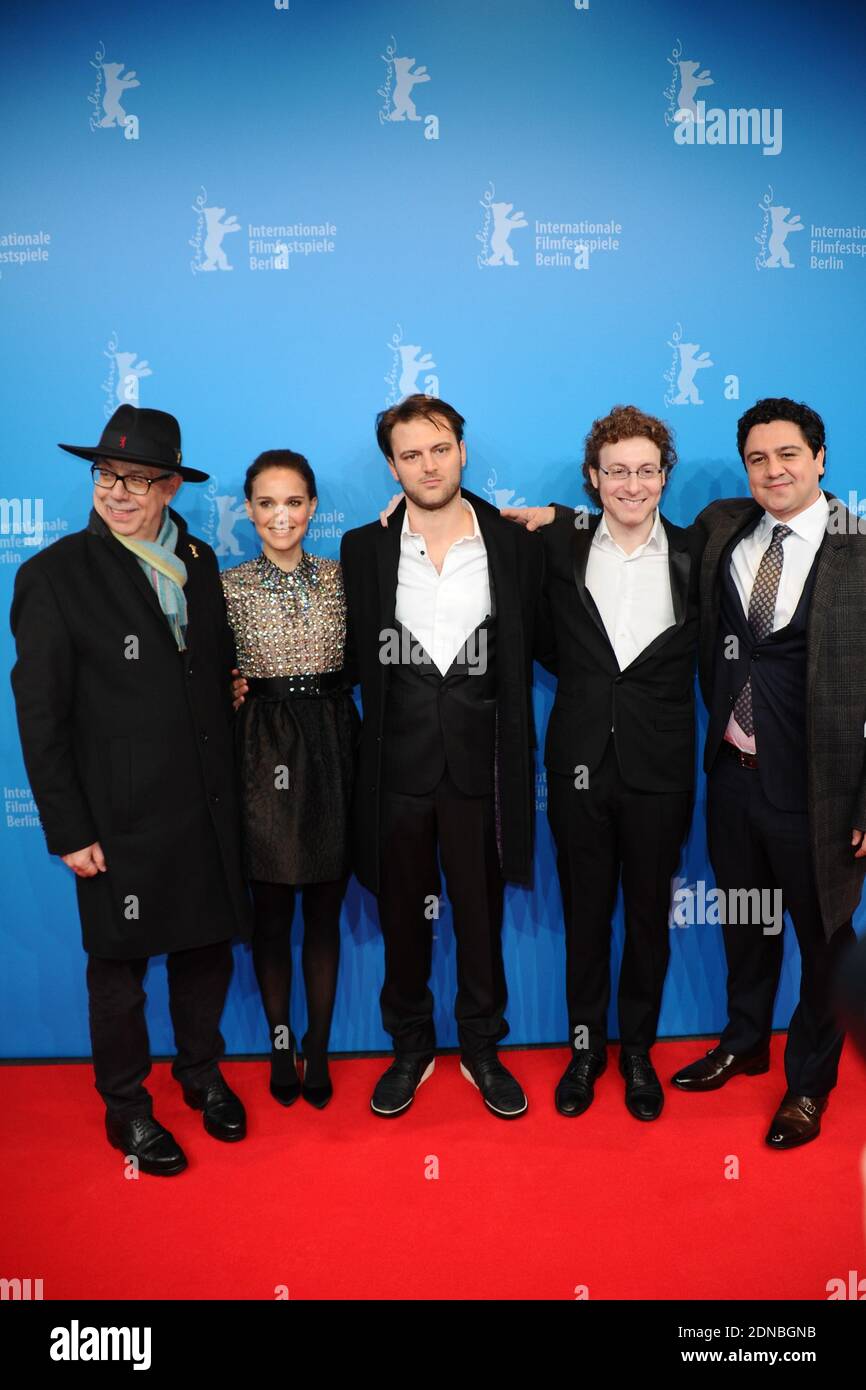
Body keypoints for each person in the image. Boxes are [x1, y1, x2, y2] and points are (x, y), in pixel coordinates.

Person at [9, 405, 252, 1177]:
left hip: (204, 804)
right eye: (106, 475)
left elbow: (205, 670)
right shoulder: (52, 576)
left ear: (171, 486)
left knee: (204, 951)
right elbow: (40, 715)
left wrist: (226, 693)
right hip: (116, 817)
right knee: (118, 969)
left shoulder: (203, 562)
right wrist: (68, 828)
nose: (117, 492)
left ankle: (200, 1072)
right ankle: (127, 1106)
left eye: (139, 479)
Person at [341, 394, 543, 1119]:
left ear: (462, 450)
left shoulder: (514, 543)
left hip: (481, 764)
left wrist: (563, 516)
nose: (427, 465)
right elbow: (348, 653)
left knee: (480, 915)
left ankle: (483, 1048)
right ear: (391, 466)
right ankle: (410, 1046)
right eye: (409, 454)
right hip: (396, 766)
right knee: (402, 914)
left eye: (439, 448)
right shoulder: (364, 549)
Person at [671, 397, 866, 1147]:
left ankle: (809, 1085)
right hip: (733, 774)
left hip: (819, 788)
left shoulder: (857, 547)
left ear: (820, 458)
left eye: (788, 454)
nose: (773, 469)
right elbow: (633, 515)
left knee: (824, 940)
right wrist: (552, 519)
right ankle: (746, 1040)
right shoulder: (726, 529)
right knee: (748, 922)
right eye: (757, 458)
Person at [503, 405, 703, 1121]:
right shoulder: (560, 545)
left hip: (661, 768)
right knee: (586, 916)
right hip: (579, 764)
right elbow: (467, 527)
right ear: (594, 478)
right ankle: (586, 1052)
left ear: (664, 477)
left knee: (648, 919)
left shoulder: (696, 553)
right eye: (616, 471)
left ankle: (640, 1053)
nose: (632, 483)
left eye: (646, 470)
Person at [222, 451, 358, 1109]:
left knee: (325, 910)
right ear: (249, 511)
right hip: (260, 748)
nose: (283, 515)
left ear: (311, 508)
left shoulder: (342, 579)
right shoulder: (226, 587)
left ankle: (321, 1046)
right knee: (272, 912)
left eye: (295, 502)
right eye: (268, 503)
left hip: (333, 743)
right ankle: (281, 1045)